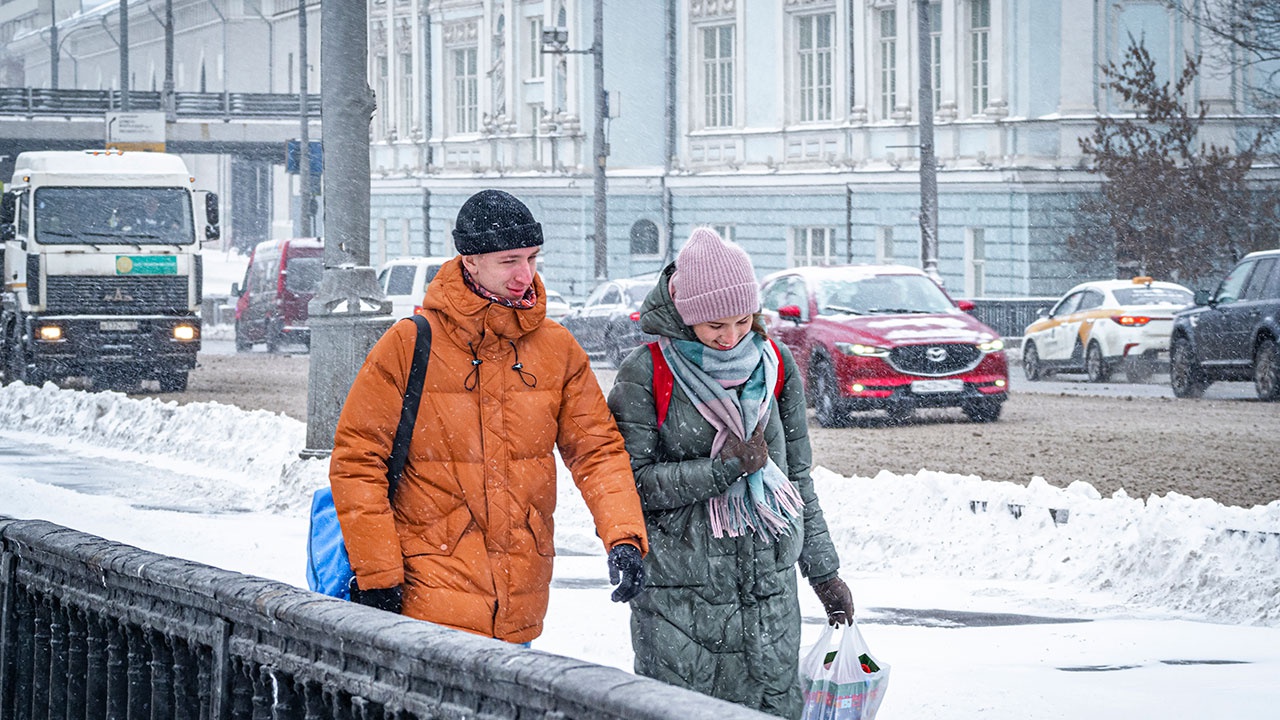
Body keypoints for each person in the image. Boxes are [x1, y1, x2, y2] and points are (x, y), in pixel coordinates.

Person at [329, 189, 649, 645]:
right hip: (425, 594)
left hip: (520, 596)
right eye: (509, 260)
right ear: (470, 260)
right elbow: (358, 462)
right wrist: (378, 575)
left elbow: (597, 451)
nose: (526, 275)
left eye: (533, 258)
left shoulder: (557, 348)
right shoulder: (410, 344)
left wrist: (623, 536)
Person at [606, 227, 855, 719]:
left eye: (743, 319)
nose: (731, 336)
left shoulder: (775, 364)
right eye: (715, 324)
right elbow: (631, 486)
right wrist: (721, 470)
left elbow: (797, 479)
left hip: (769, 597)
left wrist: (825, 573)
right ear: (685, 315)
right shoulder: (647, 372)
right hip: (682, 600)